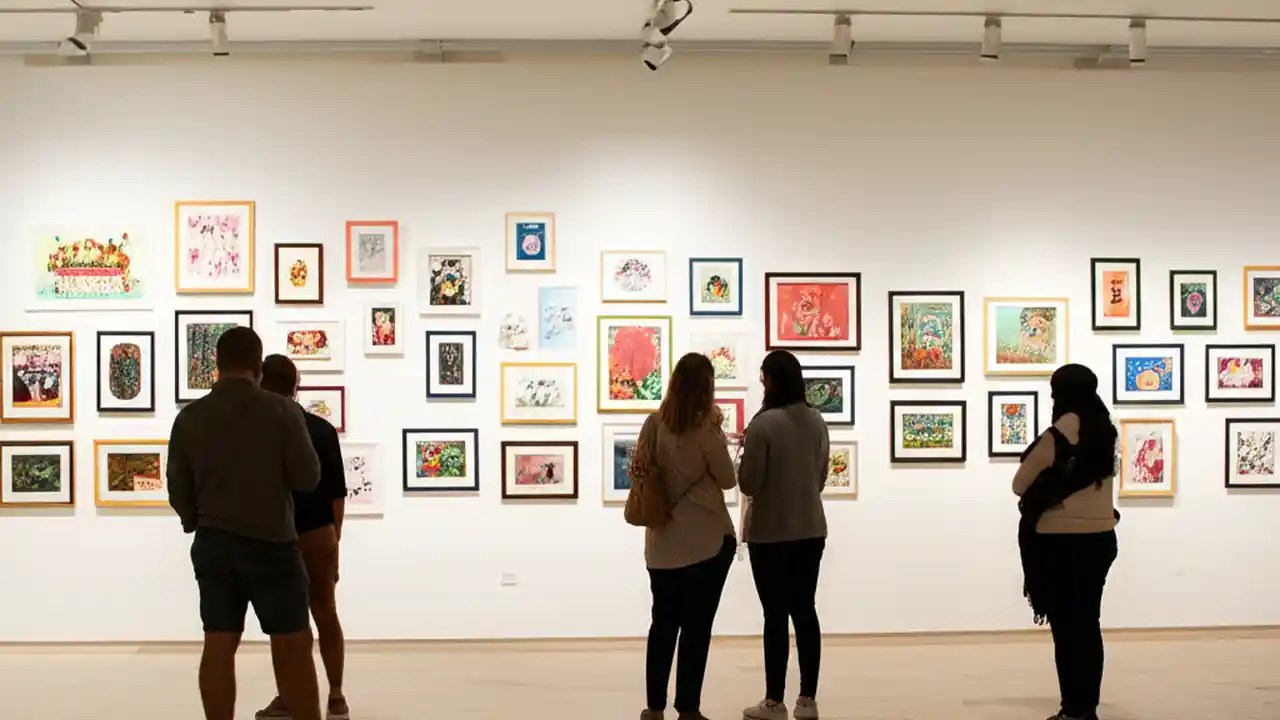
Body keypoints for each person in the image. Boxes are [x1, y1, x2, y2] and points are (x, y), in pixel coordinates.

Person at [167, 327, 324, 720]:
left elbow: (177, 488)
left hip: (215, 544)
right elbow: (308, 478)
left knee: (219, 643)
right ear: (258, 365)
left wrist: (195, 522)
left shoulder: (190, 419)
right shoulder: (283, 411)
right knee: (292, 645)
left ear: (216, 365)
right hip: (274, 544)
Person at [635, 352, 739, 720]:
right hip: (706, 543)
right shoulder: (706, 430)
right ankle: (689, 708)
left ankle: (654, 707)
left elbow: (641, 471)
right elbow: (729, 479)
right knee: (696, 628)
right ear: (706, 388)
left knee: (662, 624)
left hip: (661, 543)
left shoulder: (652, 424)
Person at [1013, 364, 1120, 720]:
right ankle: (1086, 706)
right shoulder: (1105, 432)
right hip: (1101, 540)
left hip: (1060, 542)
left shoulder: (1058, 434)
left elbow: (1019, 483)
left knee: (1066, 629)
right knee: (1088, 624)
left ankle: (1071, 709)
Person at [256, 355, 351, 720]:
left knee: (286, 622)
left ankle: (288, 697)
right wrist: (335, 541)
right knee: (325, 612)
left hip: (277, 534)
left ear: (262, 382)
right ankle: (337, 696)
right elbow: (336, 495)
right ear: (297, 384)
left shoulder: (259, 429)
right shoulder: (321, 429)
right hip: (318, 532)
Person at [737, 350, 830, 720]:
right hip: (810, 528)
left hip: (770, 534)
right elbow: (821, 476)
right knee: (805, 611)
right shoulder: (817, 420)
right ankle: (807, 700)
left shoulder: (763, 425)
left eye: (763, 379)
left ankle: (773, 700)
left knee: (774, 616)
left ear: (771, 381)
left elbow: (749, 483)